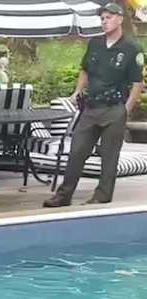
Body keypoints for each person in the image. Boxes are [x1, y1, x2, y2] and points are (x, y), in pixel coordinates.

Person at [44, 2, 144, 207]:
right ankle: (64, 196)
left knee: (109, 155)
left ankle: (102, 195)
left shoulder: (132, 48)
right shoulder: (95, 44)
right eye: (102, 18)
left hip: (114, 108)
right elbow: (85, 70)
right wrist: (77, 91)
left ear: (119, 19)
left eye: (108, 18)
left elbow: (137, 83)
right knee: (77, 151)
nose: (104, 22)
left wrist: (125, 110)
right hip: (91, 108)